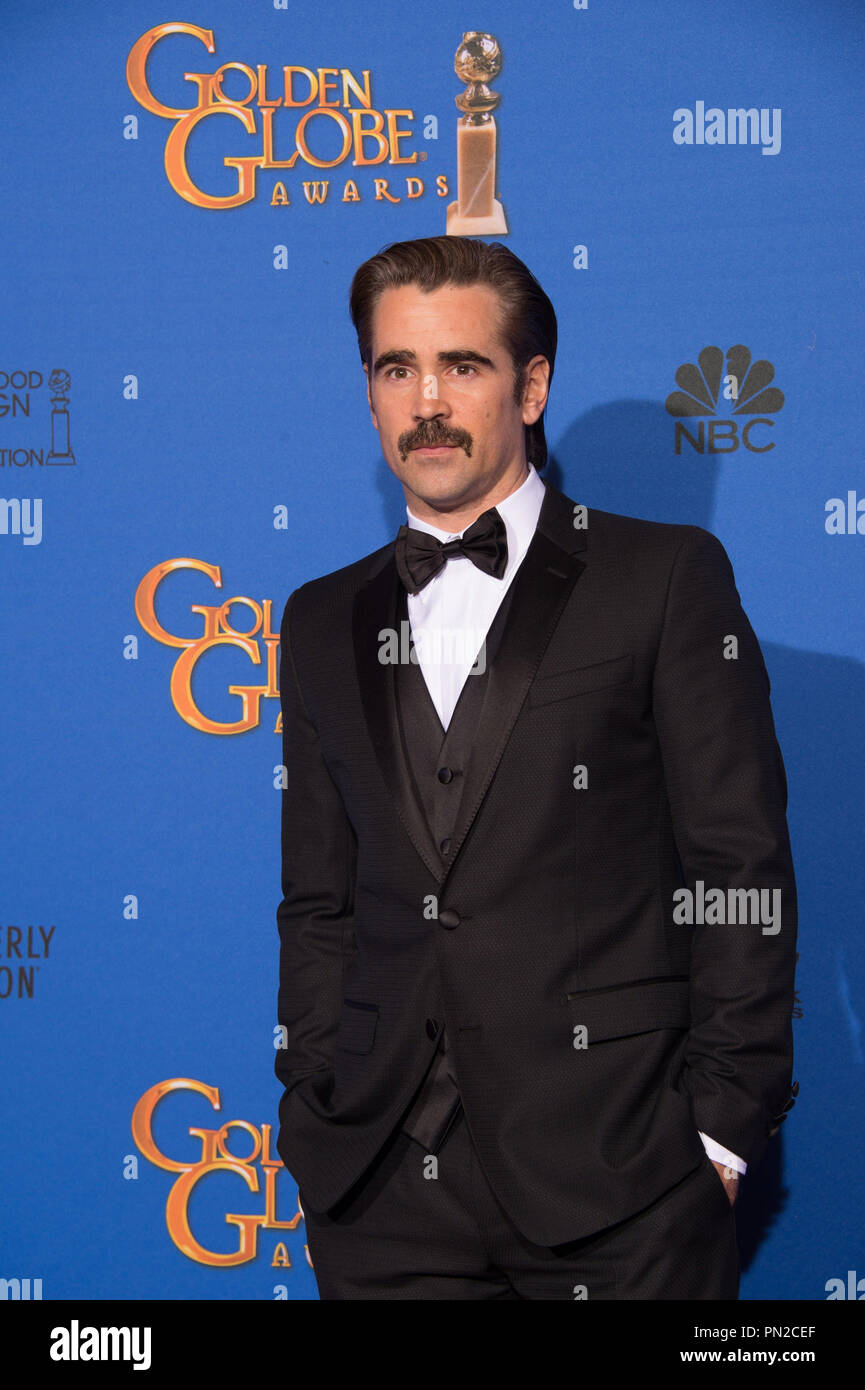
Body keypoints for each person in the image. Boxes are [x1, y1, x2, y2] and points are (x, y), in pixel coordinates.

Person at [273, 235, 798, 1300]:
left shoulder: (661, 579)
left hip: (620, 1176)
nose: (426, 400)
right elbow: (319, 900)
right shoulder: (321, 618)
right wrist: (312, 1101)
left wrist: (722, 1133)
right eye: (394, 368)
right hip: (378, 1188)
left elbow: (738, 870)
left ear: (531, 385)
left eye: (461, 366)